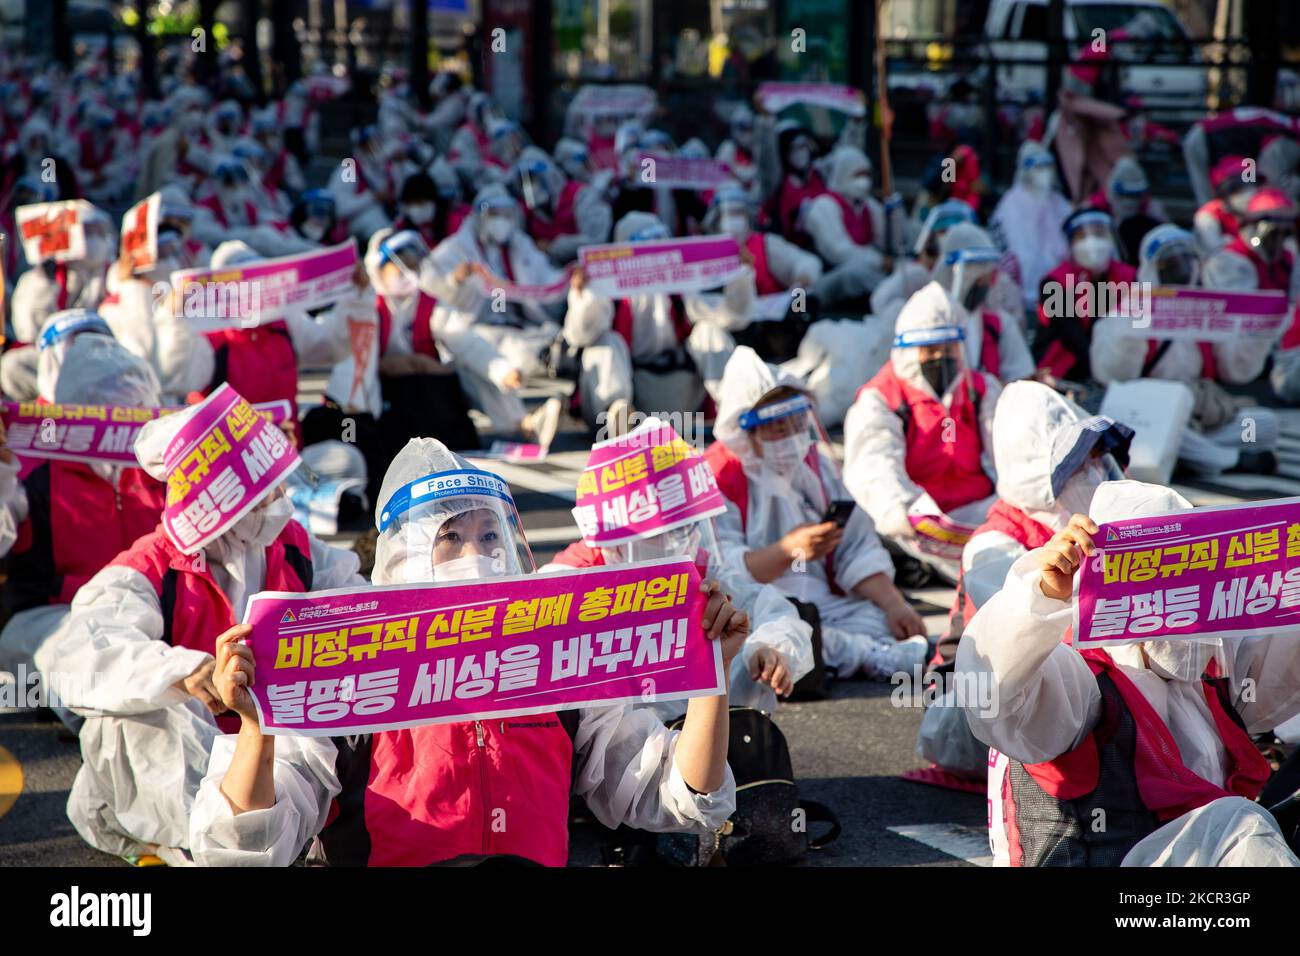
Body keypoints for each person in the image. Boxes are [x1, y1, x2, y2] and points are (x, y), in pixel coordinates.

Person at [188, 438, 743, 866]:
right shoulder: (348, 673)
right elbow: (243, 846)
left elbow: (680, 794)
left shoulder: (551, 664)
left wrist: (708, 677)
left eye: (489, 536)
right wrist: (259, 728)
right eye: (451, 537)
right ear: (404, 557)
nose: (476, 552)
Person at [45, 390, 366, 864]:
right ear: (219, 499)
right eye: (268, 490)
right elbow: (76, 655)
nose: (282, 500)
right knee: (134, 716)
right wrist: (185, 673)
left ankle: (278, 835)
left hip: (273, 743)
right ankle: (203, 843)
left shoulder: (292, 545)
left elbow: (355, 602)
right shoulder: (150, 566)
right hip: (189, 757)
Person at [960, 480, 1300, 866]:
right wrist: (1041, 596)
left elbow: (1288, 653)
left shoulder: (1209, 667)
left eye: (1188, 574)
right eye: (1161, 574)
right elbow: (993, 695)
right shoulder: (1081, 676)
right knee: (1237, 824)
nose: (1177, 593)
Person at [917, 381, 1130, 780]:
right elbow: (1024, 641)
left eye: (1100, 456)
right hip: (974, 708)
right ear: (1039, 473)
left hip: (1065, 692)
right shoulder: (994, 543)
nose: (1097, 470)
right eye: (1083, 461)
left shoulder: (1086, 525)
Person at [548, 417, 812, 713]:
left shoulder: (695, 560)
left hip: (703, 737)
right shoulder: (566, 583)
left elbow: (766, 605)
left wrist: (770, 649)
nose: (687, 537)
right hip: (611, 750)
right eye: (672, 527)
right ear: (616, 539)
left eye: (690, 523)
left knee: (734, 632)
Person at [709, 348, 928, 680]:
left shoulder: (816, 465)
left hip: (827, 604)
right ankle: (866, 656)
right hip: (762, 605)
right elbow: (724, 571)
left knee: (882, 621)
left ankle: (853, 652)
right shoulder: (720, 478)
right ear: (745, 432)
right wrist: (787, 551)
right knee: (779, 633)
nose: (791, 437)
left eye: (797, 423)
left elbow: (856, 546)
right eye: (776, 428)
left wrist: (895, 605)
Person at [0, 336, 167, 686]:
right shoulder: (31, 472)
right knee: (100, 665)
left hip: (149, 615)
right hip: (53, 617)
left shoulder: (168, 473)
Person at [1091, 224, 1279, 474]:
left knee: (1262, 425)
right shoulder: (1127, 313)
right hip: (1148, 415)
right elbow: (1113, 376)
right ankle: (1228, 460)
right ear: (1151, 268)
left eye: (1186, 260)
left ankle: (1189, 456)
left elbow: (1236, 371)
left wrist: (1260, 334)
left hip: (1198, 414)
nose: (1180, 269)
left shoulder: (1205, 312)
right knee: (1161, 433)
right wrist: (1134, 332)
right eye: (1170, 263)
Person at [844, 283, 1001, 581]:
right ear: (908, 352)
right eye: (929, 349)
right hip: (918, 521)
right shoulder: (881, 399)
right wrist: (903, 511)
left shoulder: (979, 389)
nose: (940, 357)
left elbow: (1007, 451)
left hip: (978, 511)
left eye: (948, 348)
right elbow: (875, 466)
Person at [560, 211, 754, 433]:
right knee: (605, 342)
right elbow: (578, 335)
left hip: (671, 390)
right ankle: (617, 420)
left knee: (709, 332)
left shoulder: (679, 291)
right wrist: (585, 295)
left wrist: (740, 277)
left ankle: (736, 409)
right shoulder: (607, 292)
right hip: (627, 391)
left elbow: (734, 317)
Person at [425, 186, 564, 443]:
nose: (501, 221)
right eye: (493, 214)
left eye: (506, 214)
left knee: (544, 347)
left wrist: (569, 278)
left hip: (518, 328)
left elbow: (545, 279)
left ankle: (529, 421)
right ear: (478, 216)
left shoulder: (520, 245)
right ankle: (524, 423)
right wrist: (455, 279)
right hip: (475, 330)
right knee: (488, 365)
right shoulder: (454, 250)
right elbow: (429, 283)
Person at [4, 205, 115, 400]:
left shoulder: (114, 275)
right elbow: (29, 332)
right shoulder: (39, 278)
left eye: (100, 232)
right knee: (13, 364)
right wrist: (45, 284)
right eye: (88, 232)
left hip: (102, 356)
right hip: (56, 354)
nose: (95, 240)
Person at [1034, 208, 1138, 385]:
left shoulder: (1130, 277)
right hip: (1064, 372)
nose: (1092, 242)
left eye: (1099, 234)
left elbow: (1139, 326)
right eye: (1082, 236)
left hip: (1121, 368)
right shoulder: (1054, 283)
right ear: (1071, 244)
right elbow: (1073, 338)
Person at [930, 223, 1035, 382]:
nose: (981, 280)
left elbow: (1022, 378)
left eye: (984, 273)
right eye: (973, 272)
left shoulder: (999, 325)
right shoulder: (927, 324)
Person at [801, 146, 901, 304]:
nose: (864, 181)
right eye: (858, 175)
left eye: (867, 175)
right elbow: (837, 251)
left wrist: (895, 214)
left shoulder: (868, 205)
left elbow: (891, 243)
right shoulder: (823, 205)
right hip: (831, 275)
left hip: (868, 269)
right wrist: (877, 261)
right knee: (856, 272)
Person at [989, 141, 1072, 312]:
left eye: (1047, 166)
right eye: (1038, 167)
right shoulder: (1011, 204)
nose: (1044, 173)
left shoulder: (1058, 202)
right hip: (1022, 296)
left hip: (1060, 295)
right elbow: (1010, 250)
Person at [1083, 156, 1167, 264]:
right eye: (1124, 196)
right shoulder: (1093, 207)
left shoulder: (1151, 208)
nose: (1129, 203)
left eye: (1134, 196)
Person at [1192, 155, 1259, 255]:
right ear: (1222, 194)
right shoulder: (1208, 216)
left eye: (1251, 183)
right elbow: (1219, 255)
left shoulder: (1263, 208)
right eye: (1238, 188)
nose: (1248, 192)